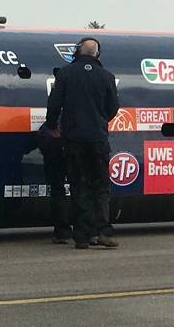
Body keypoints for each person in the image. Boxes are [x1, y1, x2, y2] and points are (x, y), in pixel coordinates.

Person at [43, 36, 120, 249]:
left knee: (79, 186)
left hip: (74, 140)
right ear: (98, 54)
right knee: (101, 187)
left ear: (77, 52)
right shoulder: (107, 76)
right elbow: (113, 108)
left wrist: (53, 126)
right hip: (98, 139)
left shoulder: (65, 74)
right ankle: (103, 231)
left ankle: (82, 236)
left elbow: (54, 104)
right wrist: (99, 121)